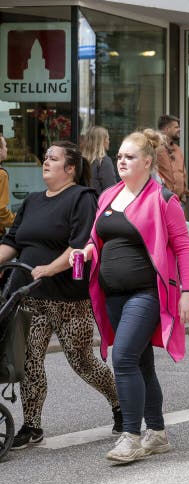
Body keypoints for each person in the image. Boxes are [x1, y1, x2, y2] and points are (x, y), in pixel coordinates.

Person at [75, 129, 189, 463]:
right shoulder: (109, 195)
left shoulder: (163, 199)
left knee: (124, 358)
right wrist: (88, 249)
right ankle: (157, 433)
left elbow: (183, 248)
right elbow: (97, 236)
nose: (122, 161)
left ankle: (130, 437)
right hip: (112, 293)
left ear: (146, 162)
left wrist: (188, 291)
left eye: (129, 157)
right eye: (120, 157)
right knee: (141, 363)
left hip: (147, 292)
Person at [0, 141, 121, 450]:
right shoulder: (32, 201)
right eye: (45, 157)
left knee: (81, 361)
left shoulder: (81, 198)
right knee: (29, 361)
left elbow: (80, 243)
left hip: (68, 298)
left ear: (70, 168)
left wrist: (49, 268)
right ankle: (32, 425)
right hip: (29, 296)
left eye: (53, 159)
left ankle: (120, 405)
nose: (45, 162)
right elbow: (13, 241)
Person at [156, 114, 189, 201]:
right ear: (167, 129)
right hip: (162, 200)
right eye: (176, 127)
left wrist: (184, 193)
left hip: (179, 201)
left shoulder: (178, 150)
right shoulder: (155, 149)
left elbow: (183, 173)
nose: (179, 129)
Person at [81, 126, 116, 194]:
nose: (109, 141)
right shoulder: (104, 161)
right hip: (98, 203)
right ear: (102, 141)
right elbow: (110, 190)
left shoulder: (80, 160)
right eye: (108, 139)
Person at [0, 135, 15, 233]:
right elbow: (1, 210)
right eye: (5, 146)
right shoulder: (1, 174)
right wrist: (15, 219)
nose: (7, 149)